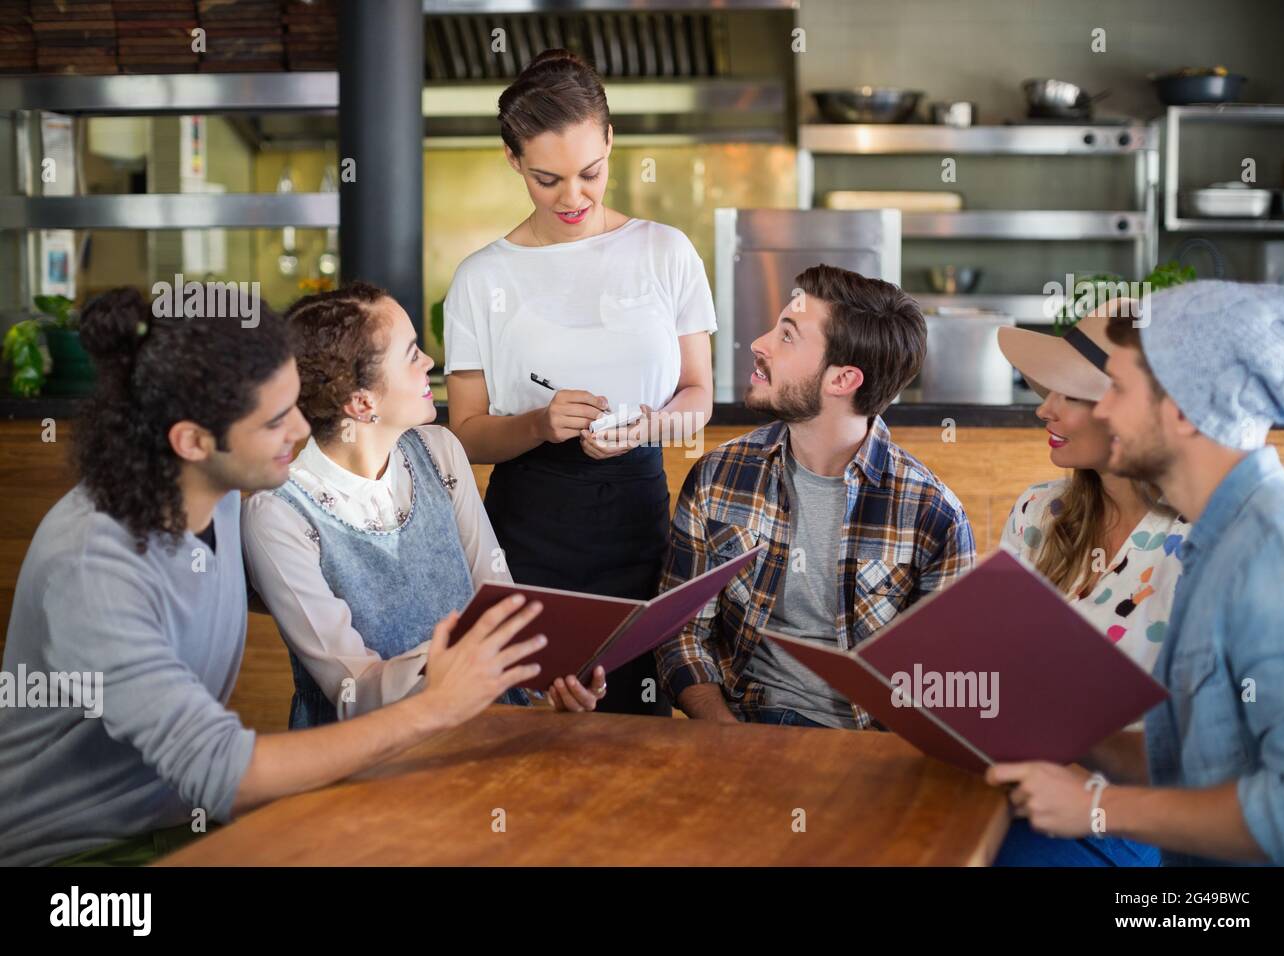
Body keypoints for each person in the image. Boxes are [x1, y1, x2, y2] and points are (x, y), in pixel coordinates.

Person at [0, 287, 547, 866]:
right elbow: (226, 773)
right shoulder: (93, 565)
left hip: (189, 823)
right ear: (192, 441)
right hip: (72, 853)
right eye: (276, 419)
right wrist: (437, 703)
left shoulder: (225, 496)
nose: (303, 430)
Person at [988, 280, 1284, 866]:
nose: (1100, 408)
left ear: (1182, 409)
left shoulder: (1278, 551)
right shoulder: (1221, 538)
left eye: (1118, 390)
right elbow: (1201, 761)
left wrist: (1099, 809)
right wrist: (1092, 745)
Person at [444, 48, 717, 717]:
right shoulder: (482, 278)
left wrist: (648, 427)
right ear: (513, 161)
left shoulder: (666, 251)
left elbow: (698, 399)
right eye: (546, 179)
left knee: (637, 725)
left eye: (589, 173)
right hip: (530, 533)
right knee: (531, 732)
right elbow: (467, 435)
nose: (573, 197)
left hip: (640, 521)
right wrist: (539, 423)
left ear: (611, 143)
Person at [243, 282, 605, 727]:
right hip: (362, 759)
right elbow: (351, 689)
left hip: (488, 726)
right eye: (413, 355)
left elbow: (500, 601)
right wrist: (457, 665)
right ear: (362, 402)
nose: (430, 362)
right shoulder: (279, 514)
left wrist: (549, 672)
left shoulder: (439, 450)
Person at [656, 265, 976, 728]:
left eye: (787, 336)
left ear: (843, 380)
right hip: (739, 728)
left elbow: (945, 683)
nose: (759, 344)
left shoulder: (933, 515)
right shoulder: (719, 475)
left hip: (865, 752)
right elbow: (681, 631)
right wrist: (722, 732)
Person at [991, 299, 1191, 867]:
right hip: (1016, 785)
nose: (1043, 411)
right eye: (1047, 390)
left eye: (1071, 394)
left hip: (1141, 821)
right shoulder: (1038, 510)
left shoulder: (1200, 539)